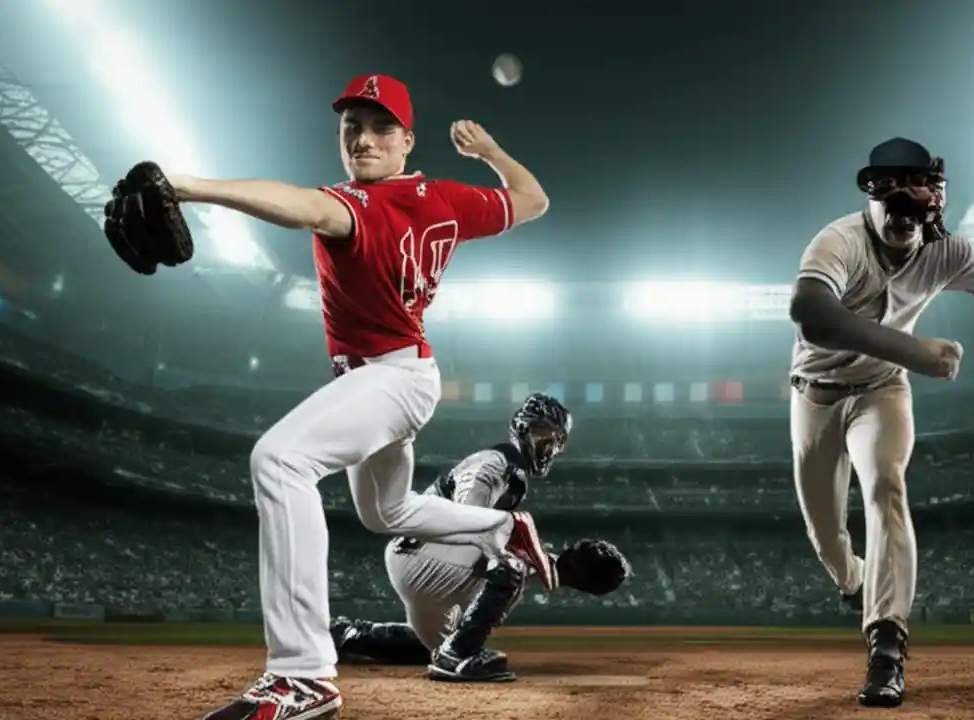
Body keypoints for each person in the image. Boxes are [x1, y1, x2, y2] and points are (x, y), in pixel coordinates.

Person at [166, 73, 557, 720]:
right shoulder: (448, 199)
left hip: (393, 377)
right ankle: (502, 526)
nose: (363, 138)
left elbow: (298, 204)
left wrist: (185, 186)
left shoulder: (357, 204)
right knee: (389, 513)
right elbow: (533, 199)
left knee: (279, 461)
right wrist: (489, 154)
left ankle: (302, 677)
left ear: (407, 141)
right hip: (384, 378)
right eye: (352, 126)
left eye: (380, 127)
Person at [786, 137, 974, 708]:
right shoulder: (841, 239)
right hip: (816, 398)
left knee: (885, 485)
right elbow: (810, 313)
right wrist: (917, 351)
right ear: (870, 197)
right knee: (827, 539)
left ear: (935, 203)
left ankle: (887, 645)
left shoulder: (946, 251)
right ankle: (855, 584)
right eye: (890, 206)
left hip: (881, 392)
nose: (901, 221)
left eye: (913, 209)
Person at [329, 394, 630, 683]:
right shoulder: (496, 463)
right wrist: (547, 561)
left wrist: (564, 568)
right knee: (510, 560)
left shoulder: (512, 475)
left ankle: (345, 635)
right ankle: (460, 655)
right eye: (544, 432)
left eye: (558, 439)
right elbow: (464, 521)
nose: (551, 444)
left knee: (432, 647)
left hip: (430, 561)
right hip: (423, 553)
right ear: (522, 428)